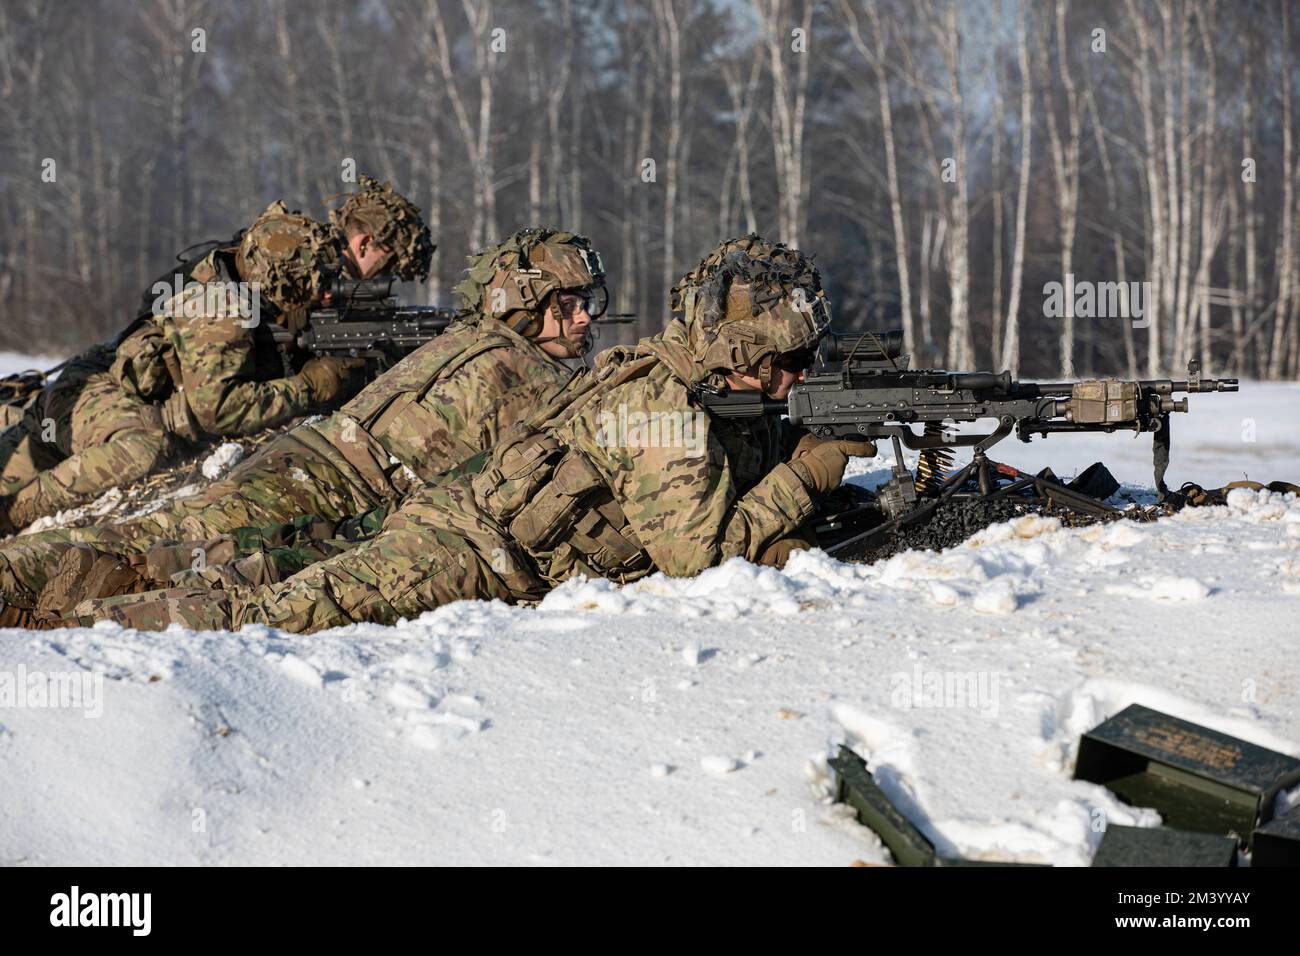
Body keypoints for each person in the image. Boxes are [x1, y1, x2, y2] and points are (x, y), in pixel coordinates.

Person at [68, 236, 876, 632]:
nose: (801, 375)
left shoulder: (674, 385)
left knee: (251, 582)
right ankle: (96, 640)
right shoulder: (657, 403)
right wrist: (813, 471)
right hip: (467, 549)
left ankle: (88, 612)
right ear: (744, 354)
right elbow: (698, 559)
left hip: (462, 530)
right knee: (279, 617)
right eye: (792, 359)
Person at [7, 227, 611, 622]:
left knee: (164, 536)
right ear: (523, 304)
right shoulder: (533, 374)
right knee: (168, 544)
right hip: (335, 480)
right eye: (569, 304)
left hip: (312, 455)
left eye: (592, 303)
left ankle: (31, 584)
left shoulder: (471, 337)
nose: (585, 318)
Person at [0, 176, 433, 535]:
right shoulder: (222, 307)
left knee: (31, 444)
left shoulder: (268, 272)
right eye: (313, 284)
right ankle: (11, 514)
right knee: (140, 448)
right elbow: (218, 411)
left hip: (121, 403)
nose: (323, 293)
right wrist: (310, 386)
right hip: (97, 394)